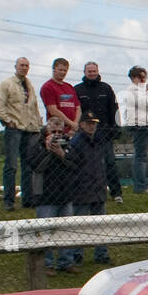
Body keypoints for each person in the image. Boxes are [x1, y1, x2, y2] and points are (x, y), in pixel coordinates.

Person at [0, 58, 43, 210]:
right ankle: (9, 201)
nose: (24, 68)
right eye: (21, 65)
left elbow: (33, 108)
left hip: (30, 130)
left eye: (27, 65)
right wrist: (8, 121)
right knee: (11, 165)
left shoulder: (29, 86)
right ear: (15, 67)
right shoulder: (6, 84)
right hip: (14, 129)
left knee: (28, 166)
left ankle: (27, 200)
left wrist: (38, 125)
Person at [29, 120, 78, 272]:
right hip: (45, 195)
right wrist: (48, 150)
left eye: (59, 132)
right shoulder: (36, 143)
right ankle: (47, 263)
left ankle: (66, 262)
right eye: (53, 132)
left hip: (65, 193)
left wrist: (62, 154)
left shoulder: (68, 144)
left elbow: (76, 164)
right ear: (47, 130)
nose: (57, 135)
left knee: (67, 230)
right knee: (45, 231)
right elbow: (36, 165)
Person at [65, 113, 112, 266]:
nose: (92, 126)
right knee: (80, 224)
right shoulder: (76, 142)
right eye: (88, 123)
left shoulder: (99, 140)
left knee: (101, 224)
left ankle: (101, 253)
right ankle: (78, 254)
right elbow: (72, 165)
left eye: (94, 123)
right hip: (82, 188)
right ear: (82, 125)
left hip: (98, 187)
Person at [75, 61, 121, 204]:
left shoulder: (106, 88)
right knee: (86, 164)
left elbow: (114, 109)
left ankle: (116, 193)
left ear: (98, 71)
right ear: (85, 72)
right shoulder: (78, 89)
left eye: (94, 71)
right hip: (84, 135)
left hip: (104, 132)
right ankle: (88, 193)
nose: (92, 73)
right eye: (89, 71)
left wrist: (116, 128)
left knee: (110, 163)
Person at [120, 65, 148, 194]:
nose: (144, 80)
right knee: (140, 157)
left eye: (144, 77)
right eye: (141, 77)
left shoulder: (141, 91)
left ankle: (141, 184)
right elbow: (147, 103)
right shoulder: (132, 90)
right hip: (139, 126)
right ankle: (140, 186)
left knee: (142, 156)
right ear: (133, 78)